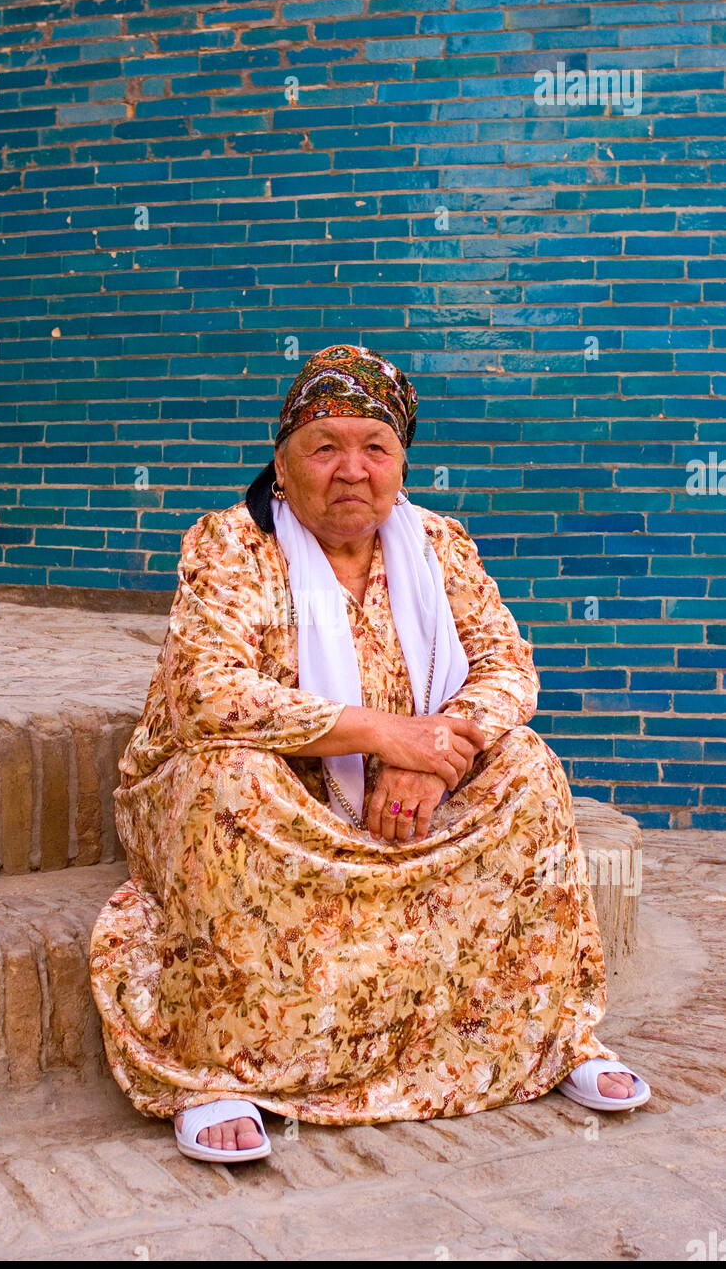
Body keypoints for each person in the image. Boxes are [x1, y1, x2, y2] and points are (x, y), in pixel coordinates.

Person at [89, 343, 650, 1164]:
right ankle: (222, 1067)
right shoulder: (232, 543)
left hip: (409, 790)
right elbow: (207, 693)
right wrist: (385, 733)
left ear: (400, 464)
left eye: (374, 448)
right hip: (277, 793)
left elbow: (507, 667)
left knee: (529, 768)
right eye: (325, 447)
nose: (352, 469)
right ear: (282, 470)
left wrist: (428, 756)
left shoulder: (439, 545)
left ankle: (543, 1036)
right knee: (229, 779)